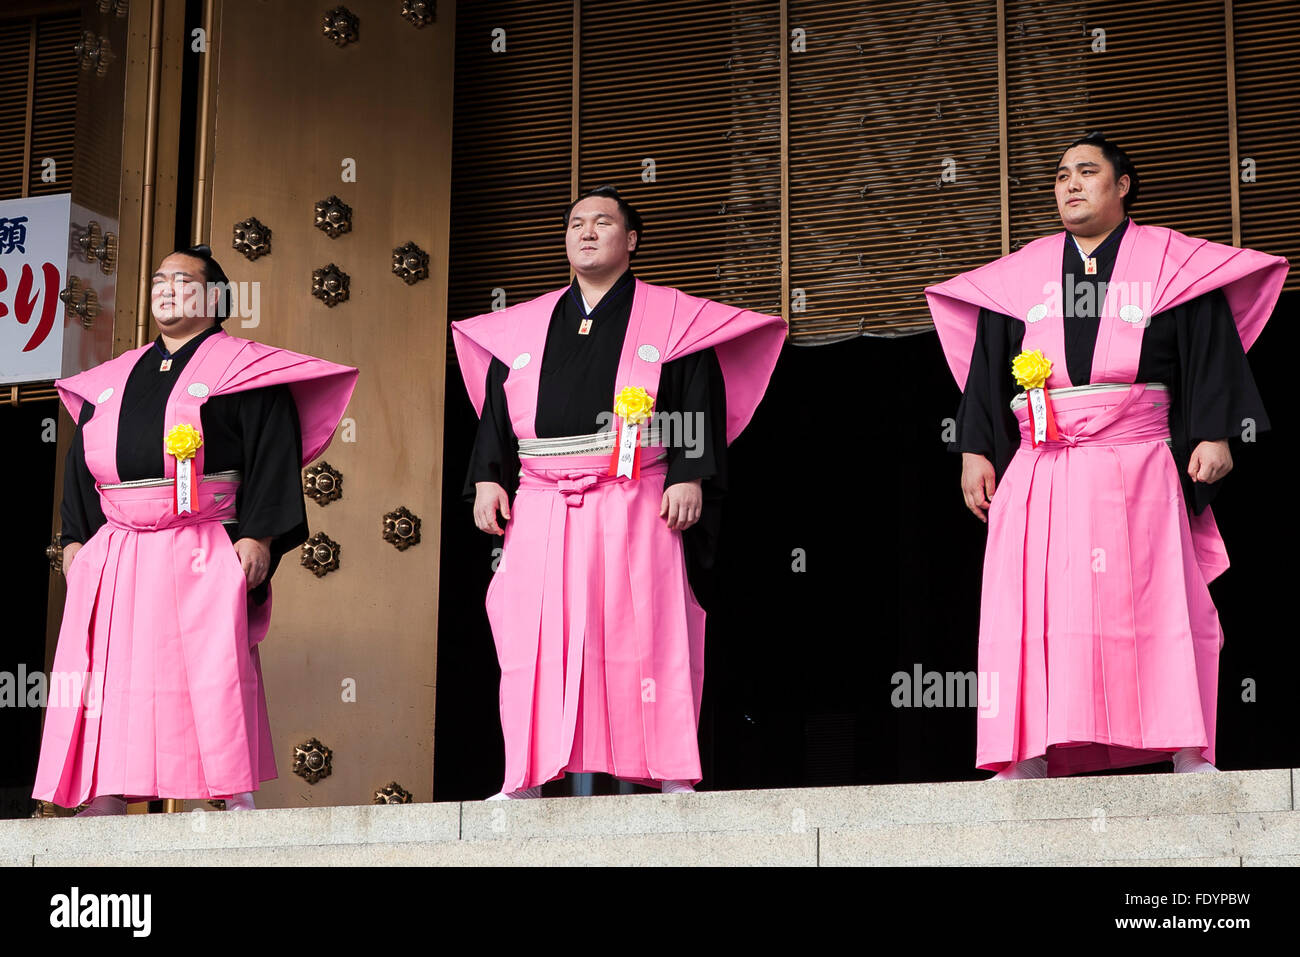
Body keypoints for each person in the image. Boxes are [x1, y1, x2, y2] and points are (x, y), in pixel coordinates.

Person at [926, 132, 1288, 780]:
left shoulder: (1171, 263)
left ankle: (1188, 749)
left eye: (1087, 172)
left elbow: (1208, 347)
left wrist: (1216, 431)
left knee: (1162, 603)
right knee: (1033, 607)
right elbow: (988, 370)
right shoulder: (1024, 272)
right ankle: (1027, 753)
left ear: (1122, 186)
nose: (1070, 183)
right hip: (1043, 464)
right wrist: (974, 447)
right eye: (1062, 174)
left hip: (1139, 458)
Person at [452, 186, 784, 798]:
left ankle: (668, 771)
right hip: (543, 498)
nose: (586, 232)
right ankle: (525, 774)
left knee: (650, 627)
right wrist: (486, 477)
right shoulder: (526, 324)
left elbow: (697, 393)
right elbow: (497, 413)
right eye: (576, 223)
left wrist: (691, 473)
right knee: (533, 631)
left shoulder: (671, 317)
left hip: (636, 491)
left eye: (602, 223)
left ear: (630, 240)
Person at [33, 244, 357, 814]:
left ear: (215, 298)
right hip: (117, 548)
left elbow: (271, 454)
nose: (166, 289)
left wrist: (259, 536)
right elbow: (81, 467)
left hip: (203, 540)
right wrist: (75, 542)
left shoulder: (245, 369)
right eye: (159, 280)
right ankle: (103, 794)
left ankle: (232, 791)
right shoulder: (112, 379)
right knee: (109, 674)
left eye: (182, 281)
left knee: (210, 669)